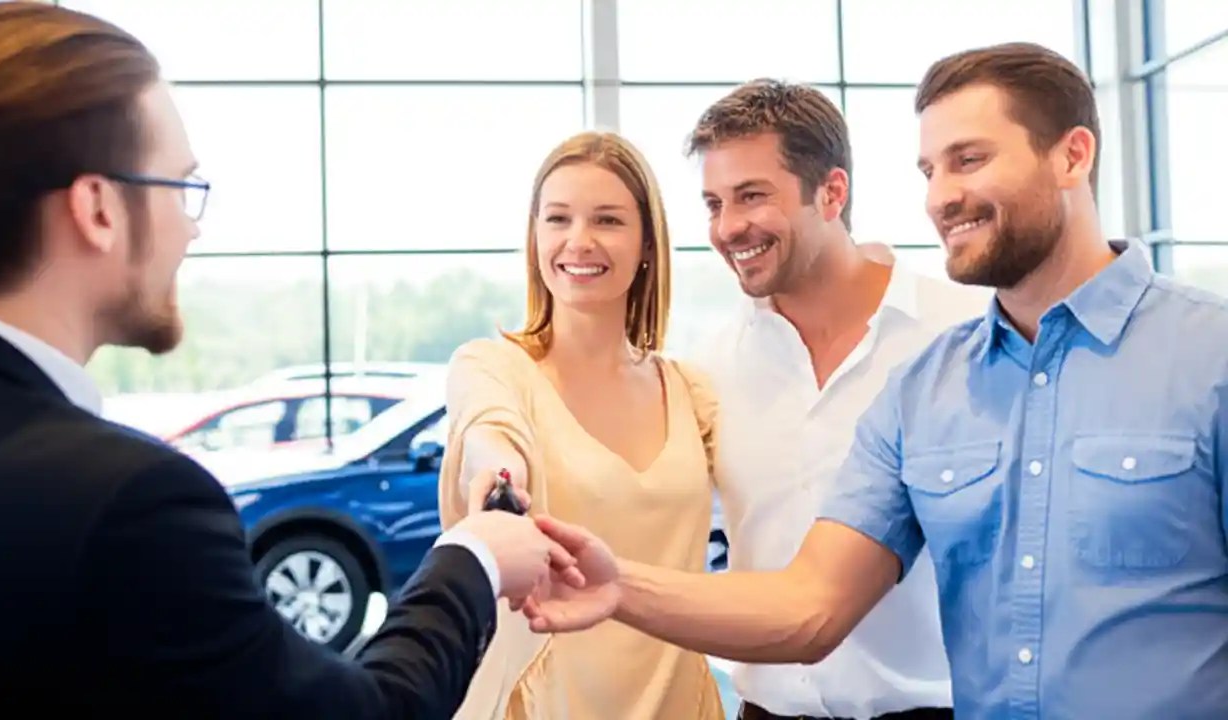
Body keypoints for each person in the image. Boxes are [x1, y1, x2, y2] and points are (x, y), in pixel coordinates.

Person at [523, 42, 1228, 720]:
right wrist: (617, 585)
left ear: (1073, 155)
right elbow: (811, 605)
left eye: (969, 160)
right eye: (929, 172)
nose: (942, 197)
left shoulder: (1209, 355)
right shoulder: (923, 388)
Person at [0, 4, 588, 718]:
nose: (191, 230)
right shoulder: (129, 502)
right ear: (97, 209)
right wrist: (476, 558)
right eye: (181, 188)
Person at [684, 79, 988, 720]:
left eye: (752, 196)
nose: (727, 227)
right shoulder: (708, 367)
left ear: (832, 192)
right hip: (765, 711)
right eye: (713, 203)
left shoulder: (965, 333)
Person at [438, 130, 724, 719]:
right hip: (543, 702)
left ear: (648, 241)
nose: (578, 241)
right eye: (558, 218)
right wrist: (501, 484)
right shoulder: (495, 366)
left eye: (608, 220)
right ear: (535, 235)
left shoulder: (691, 393)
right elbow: (492, 432)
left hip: (678, 699)